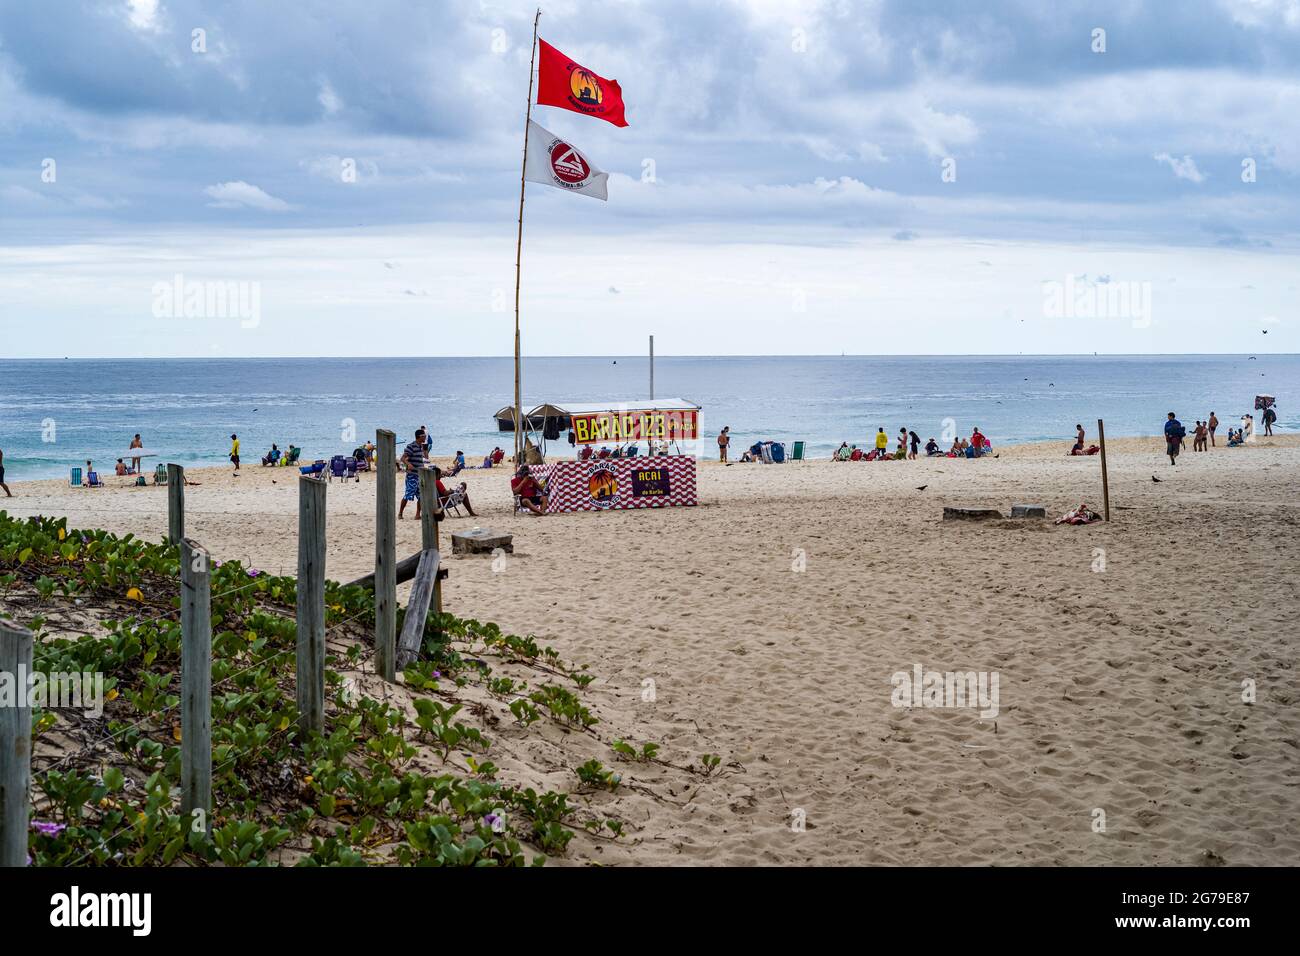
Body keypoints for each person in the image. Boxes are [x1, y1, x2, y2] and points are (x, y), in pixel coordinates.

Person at [398, 428, 428, 519]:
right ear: (419, 437)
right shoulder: (411, 446)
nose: (425, 437)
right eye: (424, 436)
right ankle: (400, 513)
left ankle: (417, 514)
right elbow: (402, 458)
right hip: (412, 476)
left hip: (419, 475)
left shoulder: (420, 446)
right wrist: (408, 464)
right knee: (408, 495)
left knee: (421, 496)